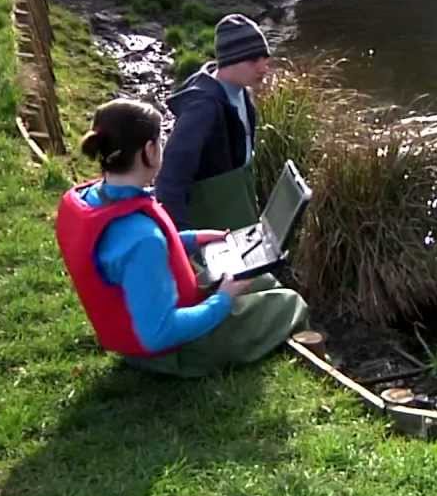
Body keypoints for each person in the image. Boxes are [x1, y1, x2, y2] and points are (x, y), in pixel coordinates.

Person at [55, 99, 308, 378]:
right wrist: (223, 299)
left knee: (264, 279)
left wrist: (193, 239)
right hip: (170, 352)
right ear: (149, 151)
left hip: (146, 321)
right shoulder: (144, 240)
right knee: (289, 302)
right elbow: (158, 334)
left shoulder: (91, 197)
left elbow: (123, 257)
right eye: (160, 141)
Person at [156, 14, 271, 232]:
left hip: (235, 207)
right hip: (209, 222)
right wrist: (183, 239)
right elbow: (170, 178)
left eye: (265, 57)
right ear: (229, 61)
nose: (264, 67)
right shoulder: (203, 108)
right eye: (254, 60)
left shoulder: (242, 91)